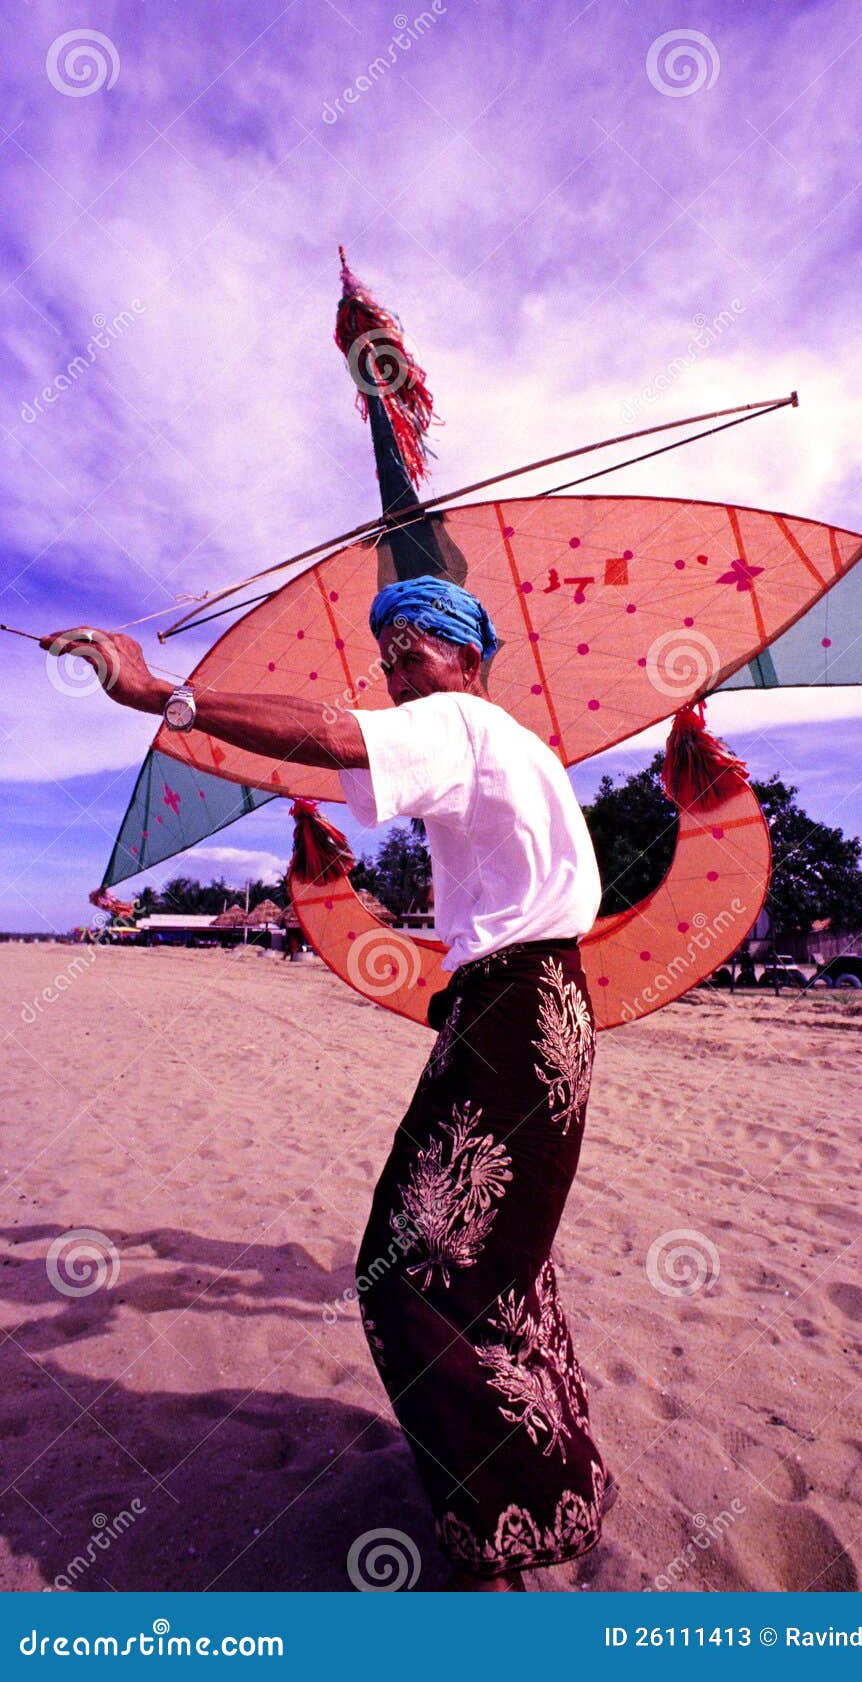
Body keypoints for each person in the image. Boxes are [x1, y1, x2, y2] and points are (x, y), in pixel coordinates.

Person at [40, 576, 613, 1592]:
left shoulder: (462, 721)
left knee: (413, 1269)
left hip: (517, 1012)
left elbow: (336, 735)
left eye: (415, 651)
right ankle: (553, 1477)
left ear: (466, 661)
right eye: (386, 655)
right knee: (496, 1257)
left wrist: (163, 692)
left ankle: (509, 1517)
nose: (398, 672)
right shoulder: (508, 745)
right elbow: (341, 741)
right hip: (531, 1008)